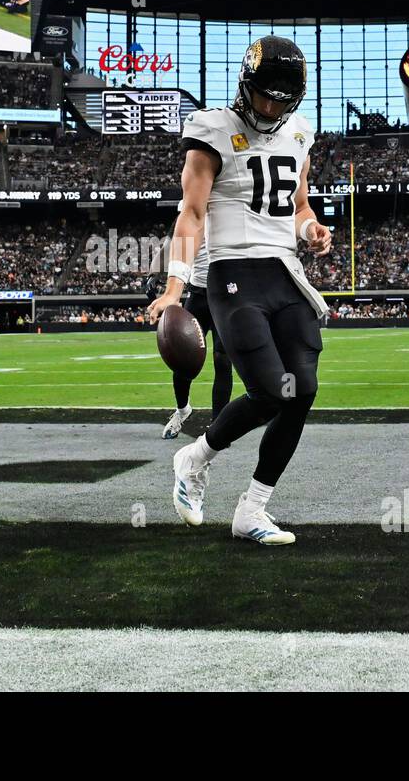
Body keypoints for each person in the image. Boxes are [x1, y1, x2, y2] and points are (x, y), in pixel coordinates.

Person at [147, 35, 330, 546]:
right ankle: (195, 457)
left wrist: (311, 231)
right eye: (264, 95)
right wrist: (175, 285)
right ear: (246, 84)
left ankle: (252, 510)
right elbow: (192, 212)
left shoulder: (298, 135)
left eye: (281, 99)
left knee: (303, 391)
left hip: (285, 274)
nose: (270, 107)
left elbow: (298, 207)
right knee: (271, 390)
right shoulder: (213, 129)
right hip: (233, 275)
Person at [156, 222, 235, 440]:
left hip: (226, 294)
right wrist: (156, 271)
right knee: (182, 358)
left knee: (222, 359)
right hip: (198, 292)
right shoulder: (191, 203)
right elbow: (174, 238)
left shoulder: (229, 202)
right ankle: (183, 410)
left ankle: (219, 425)